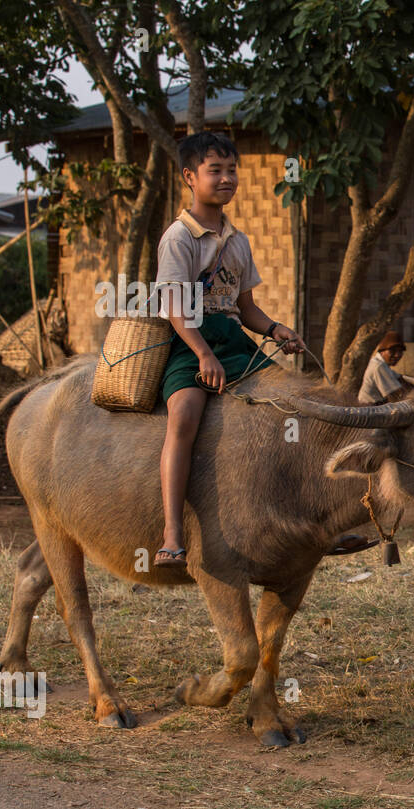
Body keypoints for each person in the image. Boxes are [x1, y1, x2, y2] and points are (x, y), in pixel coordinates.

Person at [154, 132, 304, 569]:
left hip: (235, 340)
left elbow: (246, 308)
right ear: (190, 176)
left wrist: (276, 329)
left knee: (291, 406)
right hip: (189, 342)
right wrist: (203, 355)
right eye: (214, 170)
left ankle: (303, 522)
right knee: (183, 416)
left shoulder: (238, 240)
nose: (226, 178)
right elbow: (175, 309)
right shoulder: (179, 238)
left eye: (231, 170)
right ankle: (172, 533)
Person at [359, 331, 407, 403]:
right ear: (382, 351)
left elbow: (400, 378)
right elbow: (396, 394)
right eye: (392, 351)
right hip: (371, 408)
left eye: (400, 351)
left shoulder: (379, 363)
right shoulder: (379, 366)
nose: (397, 355)